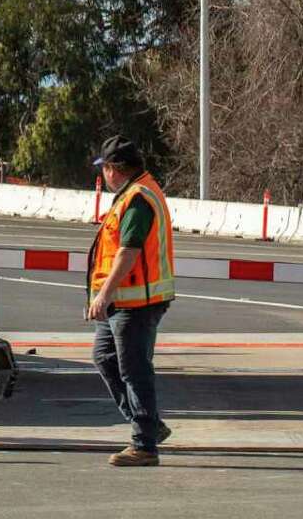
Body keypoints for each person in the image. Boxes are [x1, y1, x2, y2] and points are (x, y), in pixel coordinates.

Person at [87, 136, 175, 467]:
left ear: (115, 169)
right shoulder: (133, 194)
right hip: (125, 301)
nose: (102, 175)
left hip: (136, 302)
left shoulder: (137, 200)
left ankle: (144, 444)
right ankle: (149, 425)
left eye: (105, 168)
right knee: (104, 358)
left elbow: (128, 252)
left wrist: (105, 294)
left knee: (134, 371)